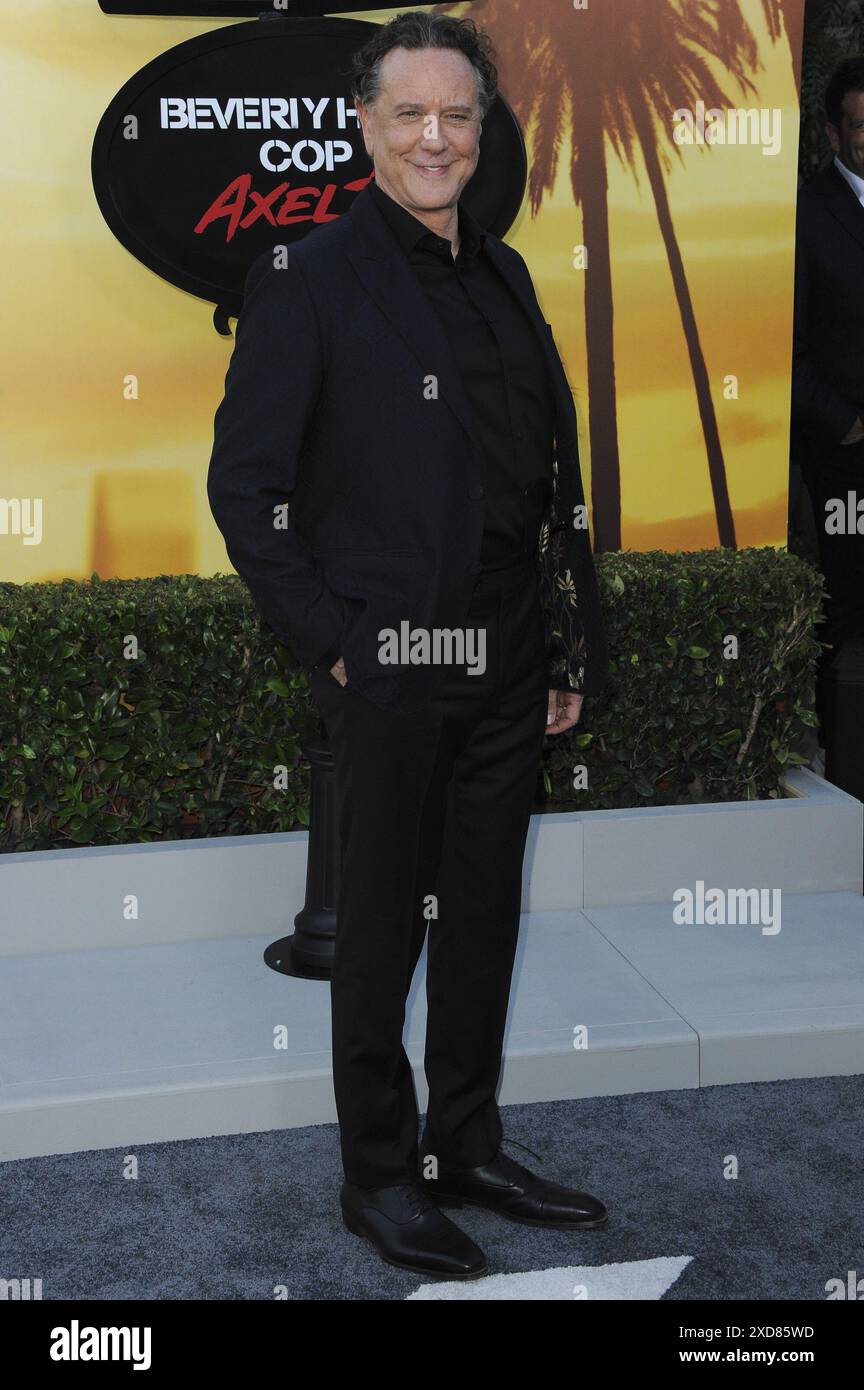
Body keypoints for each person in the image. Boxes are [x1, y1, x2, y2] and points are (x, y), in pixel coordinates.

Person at [207, 11, 609, 1280]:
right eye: (411, 115)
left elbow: (535, 478)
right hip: (396, 651)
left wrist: (557, 645)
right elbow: (248, 488)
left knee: (484, 907)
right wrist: (336, 645)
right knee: (381, 927)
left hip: (506, 640)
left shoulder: (501, 271)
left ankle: (465, 1144)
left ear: (482, 135)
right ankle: (378, 1174)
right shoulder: (309, 279)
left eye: (460, 116)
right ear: (368, 127)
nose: (437, 137)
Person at [793, 55, 864, 695]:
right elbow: (786, 344)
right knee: (844, 614)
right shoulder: (805, 215)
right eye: (863, 124)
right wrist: (844, 426)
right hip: (847, 459)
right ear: (833, 134)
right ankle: (838, 767)